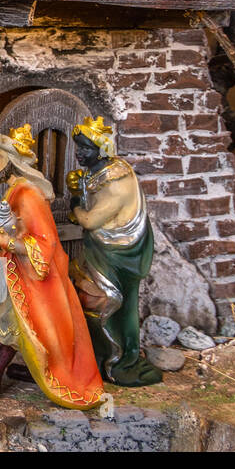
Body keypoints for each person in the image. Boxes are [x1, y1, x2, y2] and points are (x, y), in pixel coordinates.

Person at [0, 125, 104, 409]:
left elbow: (45, 244)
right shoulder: (16, 190)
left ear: (11, 160)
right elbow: (17, 231)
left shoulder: (27, 194)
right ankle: (28, 369)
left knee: (9, 324)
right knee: (22, 326)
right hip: (27, 277)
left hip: (39, 281)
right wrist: (2, 239)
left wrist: (5, 240)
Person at [68, 116, 162, 386]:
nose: (79, 153)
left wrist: (75, 201)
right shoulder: (103, 170)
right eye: (78, 147)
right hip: (101, 249)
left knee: (105, 304)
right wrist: (81, 187)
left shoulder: (116, 184)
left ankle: (116, 359)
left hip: (116, 255)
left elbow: (89, 220)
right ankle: (94, 356)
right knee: (91, 300)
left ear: (102, 150)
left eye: (86, 148)